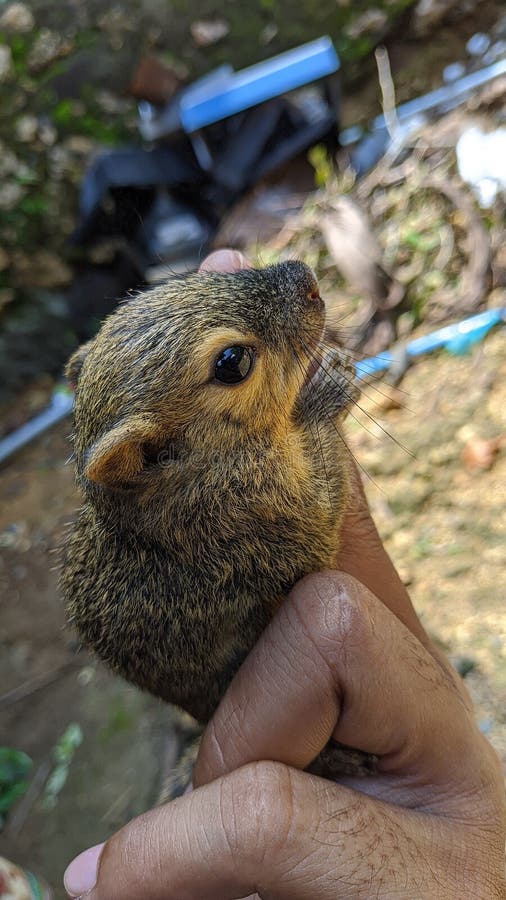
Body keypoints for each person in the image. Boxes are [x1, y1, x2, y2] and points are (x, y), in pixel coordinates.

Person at [63, 250, 505, 900]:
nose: (301, 286)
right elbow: (314, 528)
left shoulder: (188, 488)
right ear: (151, 456)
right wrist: (317, 415)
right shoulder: (217, 500)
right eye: (232, 364)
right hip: (263, 677)